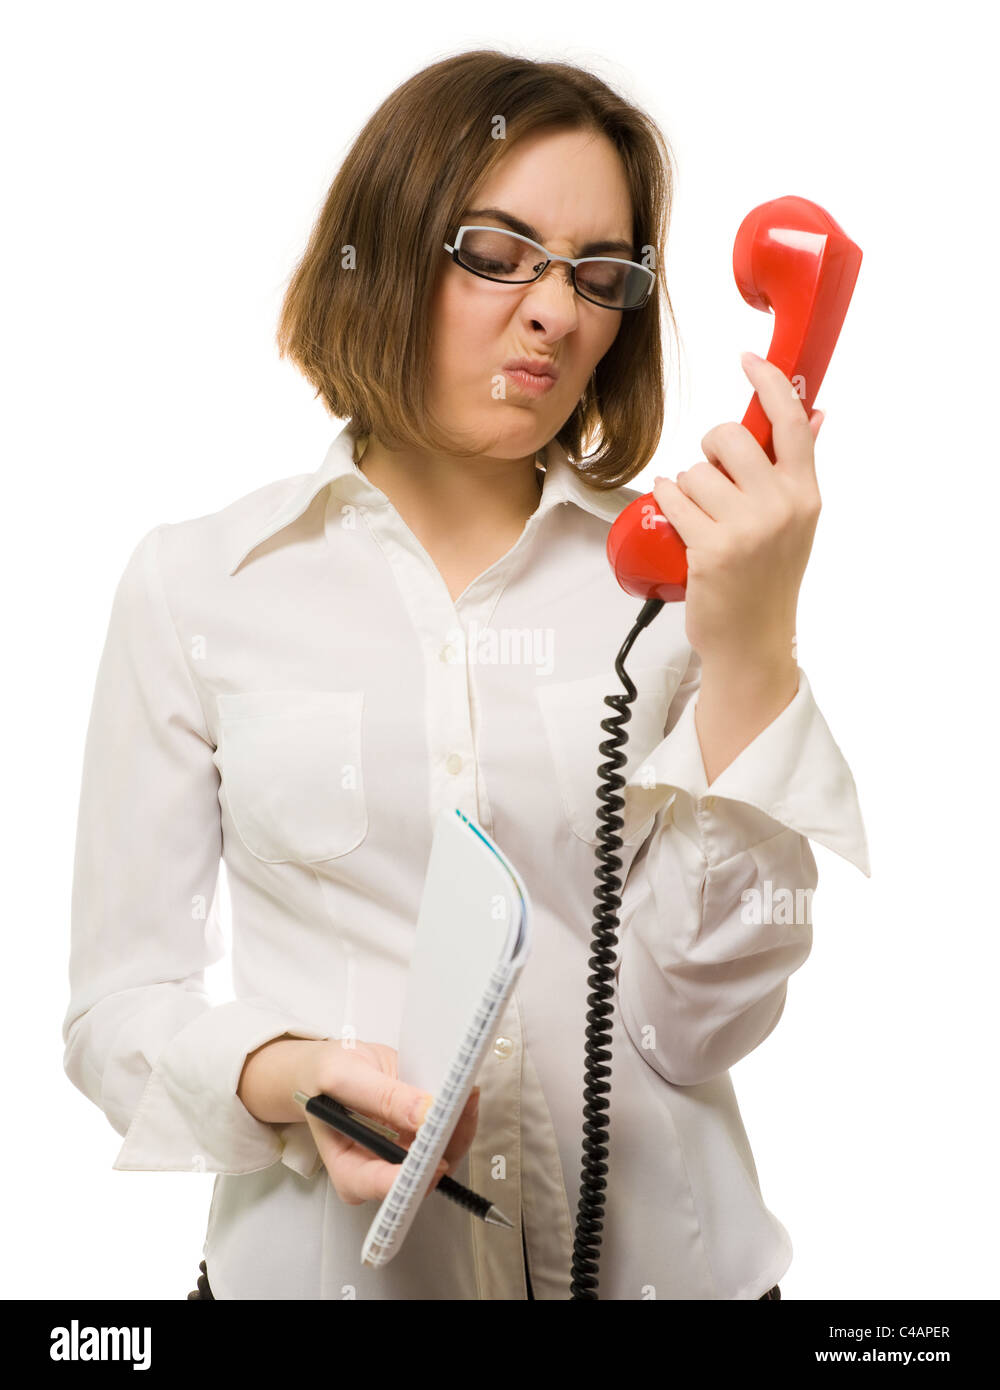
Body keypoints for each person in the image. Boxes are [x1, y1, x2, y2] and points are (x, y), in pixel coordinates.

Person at [63, 49, 869, 1301]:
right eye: (498, 253)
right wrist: (286, 1075)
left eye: (600, 274)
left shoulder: (669, 587)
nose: (556, 311)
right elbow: (116, 1007)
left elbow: (700, 1021)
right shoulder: (195, 587)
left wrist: (752, 643)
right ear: (383, 250)